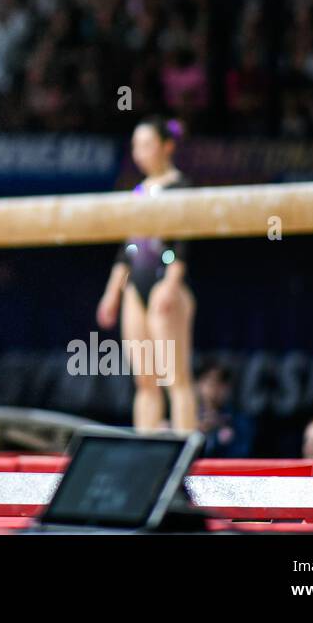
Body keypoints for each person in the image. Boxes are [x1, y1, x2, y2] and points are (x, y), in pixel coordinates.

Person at [96, 117, 198, 432]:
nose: (138, 153)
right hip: (135, 287)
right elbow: (129, 247)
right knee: (145, 382)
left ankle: (186, 459)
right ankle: (145, 456)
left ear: (167, 146)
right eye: (134, 146)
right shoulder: (139, 190)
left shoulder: (181, 187)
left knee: (175, 378)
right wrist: (112, 291)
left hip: (165, 282)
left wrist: (171, 284)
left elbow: (181, 243)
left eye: (146, 145)